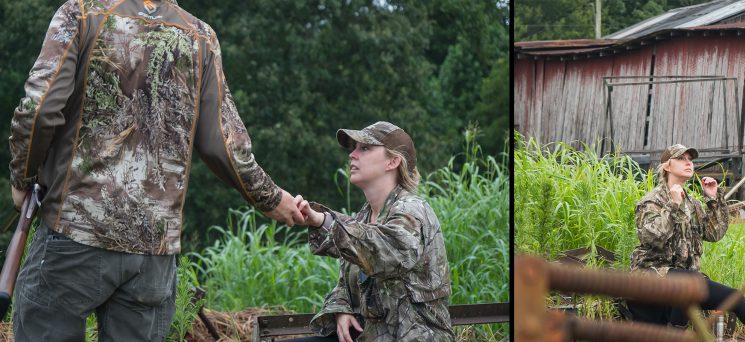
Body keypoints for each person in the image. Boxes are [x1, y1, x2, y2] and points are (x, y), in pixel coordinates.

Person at [7, 0, 304, 340]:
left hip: (74, 234)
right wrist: (271, 198)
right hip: (152, 253)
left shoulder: (81, 14)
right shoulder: (200, 36)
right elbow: (225, 143)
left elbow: (39, 109)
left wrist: (22, 175)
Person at [289, 121, 454, 342]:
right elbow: (345, 283)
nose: (352, 155)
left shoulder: (412, 211)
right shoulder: (364, 217)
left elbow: (383, 253)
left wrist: (322, 220)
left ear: (393, 161)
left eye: (364, 148)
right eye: (353, 149)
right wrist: (342, 309)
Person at [623, 144, 745, 340]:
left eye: (690, 159)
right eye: (682, 159)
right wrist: (673, 206)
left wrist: (713, 200)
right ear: (667, 166)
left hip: (686, 280)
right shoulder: (652, 201)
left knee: (732, 297)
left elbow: (714, 233)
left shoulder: (692, 204)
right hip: (651, 276)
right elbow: (652, 238)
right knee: (689, 282)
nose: (688, 163)